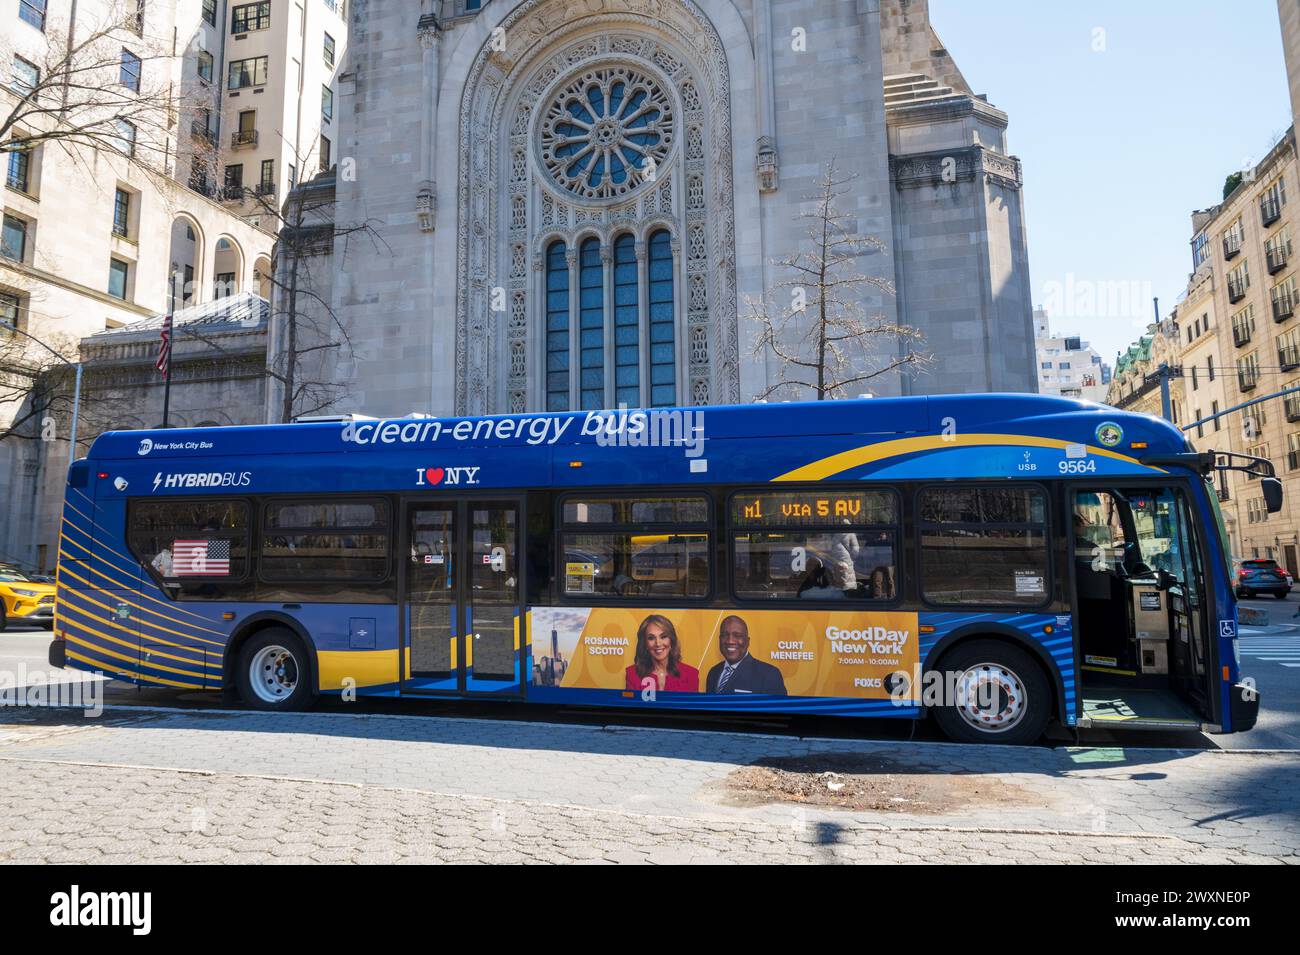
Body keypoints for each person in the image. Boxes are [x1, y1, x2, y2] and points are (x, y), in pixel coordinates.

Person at [706, 615, 786, 695]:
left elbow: (778, 707)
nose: (730, 641)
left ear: (748, 641)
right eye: (725, 635)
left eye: (737, 635)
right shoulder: (713, 672)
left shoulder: (769, 674)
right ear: (719, 639)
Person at [624, 614, 698, 692]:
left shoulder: (691, 674)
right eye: (651, 638)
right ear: (645, 643)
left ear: (671, 641)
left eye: (663, 637)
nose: (658, 643)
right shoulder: (632, 674)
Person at [827, 522, 861, 592]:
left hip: (836, 560)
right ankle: (849, 596)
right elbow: (855, 550)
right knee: (849, 580)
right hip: (847, 560)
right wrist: (853, 557)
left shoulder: (835, 534)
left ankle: (840, 597)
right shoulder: (851, 534)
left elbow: (832, 548)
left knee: (839, 581)